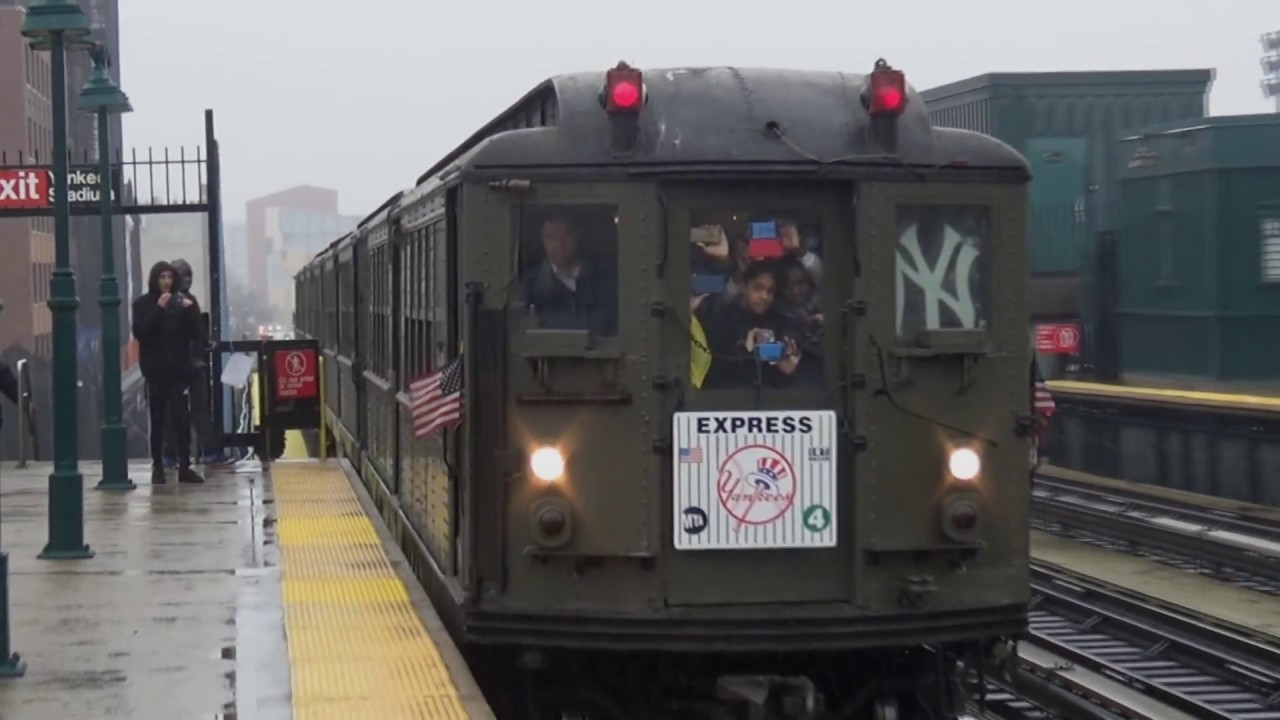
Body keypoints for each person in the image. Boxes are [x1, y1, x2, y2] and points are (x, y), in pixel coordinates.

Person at [132, 261, 204, 485]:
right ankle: (158, 466)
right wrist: (159, 308)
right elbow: (142, 333)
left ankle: (185, 466)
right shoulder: (143, 304)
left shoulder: (182, 303)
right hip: (155, 372)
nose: (166, 282)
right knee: (159, 419)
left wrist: (190, 309)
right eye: (162, 277)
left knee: (182, 419)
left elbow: (197, 333)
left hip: (178, 371)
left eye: (169, 278)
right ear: (155, 279)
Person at [692, 259, 803, 389]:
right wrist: (744, 350)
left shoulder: (780, 322)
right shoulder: (722, 317)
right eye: (758, 288)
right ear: (744, 287)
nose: (764, 296)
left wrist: (786, 371)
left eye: (770, 291)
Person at [166, 259, 229, 467]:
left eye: (188, 275)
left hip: (190, 365)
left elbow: (196, 332)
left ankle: (202, 451)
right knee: (178, 411)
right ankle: (175, 454)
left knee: (195, 409)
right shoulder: (168, 302)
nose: (187, 280)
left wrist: (204, 343)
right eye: (183, 275)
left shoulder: (187, 301)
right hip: (178, 366)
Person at [523, 214, 617, 335]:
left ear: (577, 236)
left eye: (566, 235)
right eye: (551, 238)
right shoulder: (530, 285)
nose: (560, 245)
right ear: (542, 241)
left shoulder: (603, 279)